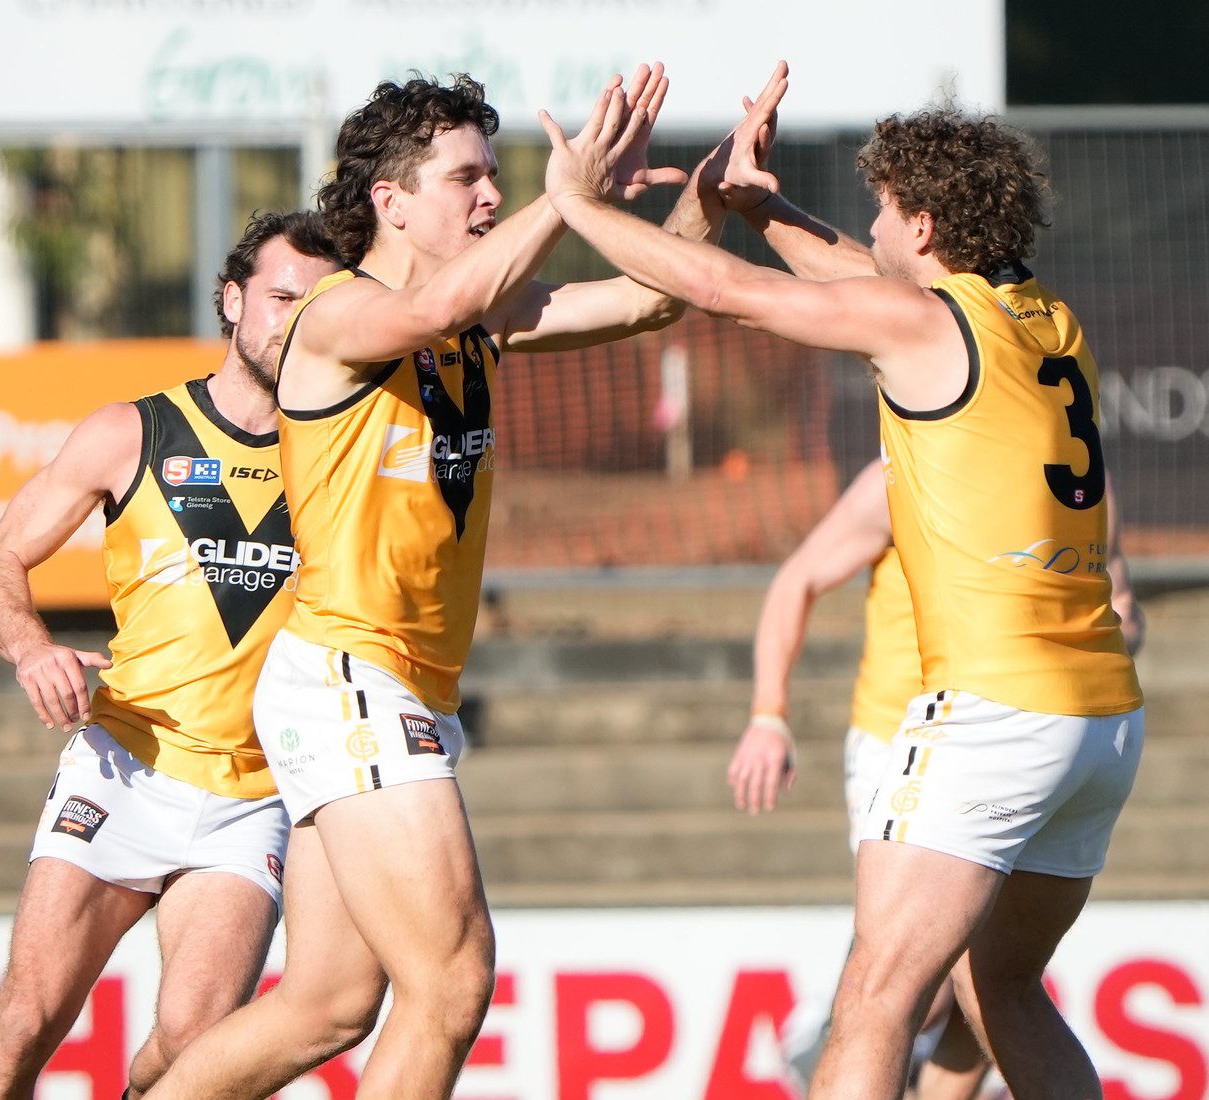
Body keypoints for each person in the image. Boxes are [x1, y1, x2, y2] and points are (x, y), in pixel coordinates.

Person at [546, 64, 1146, 1100]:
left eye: (880, 207)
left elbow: (722, 291)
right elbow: (856, 278)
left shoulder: (923, 326)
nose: (866, 223)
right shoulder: (1045, 319)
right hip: (1098, 718)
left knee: (871, 999)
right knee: (1005, 989)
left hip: (991, 714)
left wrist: (574, 205)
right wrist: (759, 201)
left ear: (919, 225)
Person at [145, 66, 718, 1100]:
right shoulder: (333, 314)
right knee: (451, 981)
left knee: (326, 1003)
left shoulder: (478, 314)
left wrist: (703, 207)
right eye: (468, 178)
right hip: (347, 676)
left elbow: (649, 298)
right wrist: (569, 194)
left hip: (390, 686)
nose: (490, 194)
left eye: (496, 176)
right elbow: (445, 298)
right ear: (390, 200)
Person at [0, 211, 343, 1100]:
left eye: (317, 305)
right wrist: (32, 651)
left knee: (196, 1046)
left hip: (253, 797)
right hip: (125, 768)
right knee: (25, 1019)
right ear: (232, 298)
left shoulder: (337, 452)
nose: (295, 321)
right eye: (282, 298)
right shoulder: (132, 433)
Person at [729, 461, 1143, 1100]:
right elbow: (799, 577)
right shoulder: (915, 464)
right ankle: (822, 1036)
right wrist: (767, 714)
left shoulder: (1078, 469)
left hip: (1019, 730)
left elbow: (1115, 596)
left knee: (989, 980)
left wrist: (1115, 627)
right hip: (902, 736)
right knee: (927, 979)